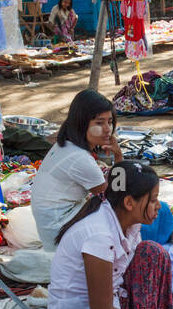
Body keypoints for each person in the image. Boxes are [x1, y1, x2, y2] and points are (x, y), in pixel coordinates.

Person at [34, 160, 173, 309]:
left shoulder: (129, 224)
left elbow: (130, 280)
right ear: (129, 202)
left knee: (153, 253)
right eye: (153, 200)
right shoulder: (99, 234)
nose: (159, 206)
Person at [29, 89, 120, 248]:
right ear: (82, 124)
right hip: (60, 238)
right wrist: (118, 156)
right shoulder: (79, 158)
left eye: (110, 121)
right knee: (129, 213)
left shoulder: (64, 145)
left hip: (54, 228)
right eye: (99, 123)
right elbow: (117, 198)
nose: (107, 129)